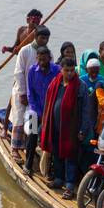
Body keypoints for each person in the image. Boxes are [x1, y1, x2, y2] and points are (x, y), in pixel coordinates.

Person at [39, 57, 86, 197]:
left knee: (70, 155)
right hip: (55, 125)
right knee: (57, 153)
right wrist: (45, 123)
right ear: (61, 69)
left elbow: (86, 110)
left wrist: (83, 129)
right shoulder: (55, 83)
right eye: (67, 70)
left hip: (71, 128)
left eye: (72, 70)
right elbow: (48, 103)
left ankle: (70, 186)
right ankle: (59, 179)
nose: (70, 73)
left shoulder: (80, 86)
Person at [10, 24, 50, 152]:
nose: (44, 41)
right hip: (22, 90)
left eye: (46, 38)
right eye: (42, 38)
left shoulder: (48, 54)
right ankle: (15, 149)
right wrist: (22, 93)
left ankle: (29, 149)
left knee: (34, 122)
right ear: (36, 37)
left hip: (36, 94)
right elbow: (18, 72)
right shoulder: (25, 50)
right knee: (19, 119)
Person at [24, 45, 60, 176]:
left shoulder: (56, 70)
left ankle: (50, 169)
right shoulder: (32, 71)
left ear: (49, 58)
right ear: (37, 59)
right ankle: (28, 164)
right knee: (32, 134)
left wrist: (49, 112)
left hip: (51, 110)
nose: (42, 63)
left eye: (45, 60)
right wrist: (37, 111)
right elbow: (30, 93)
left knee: (52, 137)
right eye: (40, 60)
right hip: (36, 109)